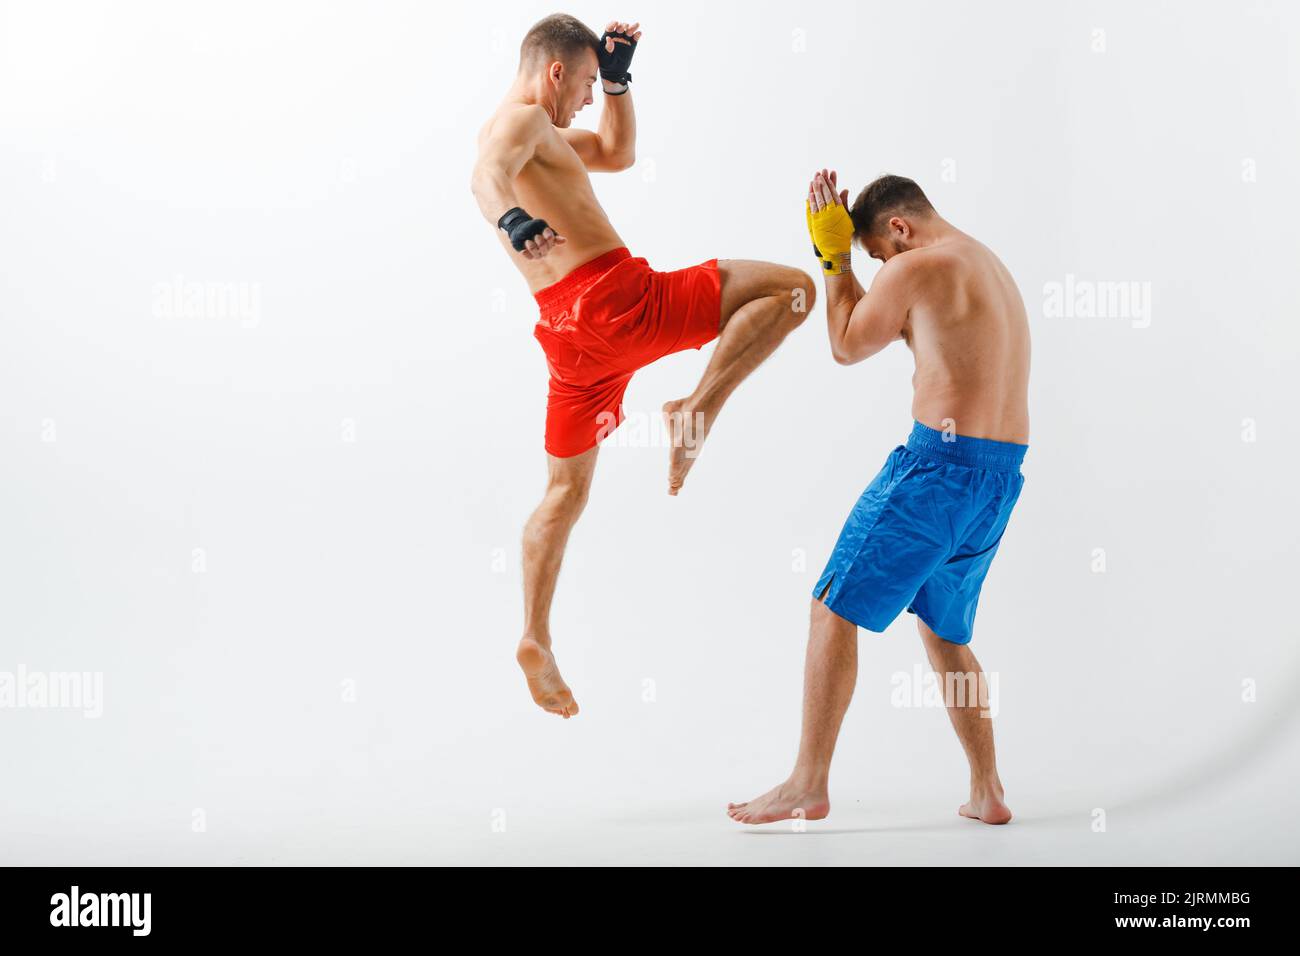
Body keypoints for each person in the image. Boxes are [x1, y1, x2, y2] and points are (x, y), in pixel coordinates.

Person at [471, 14, 814, 718]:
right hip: (618, 301)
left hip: (570, 338)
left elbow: (617, 155)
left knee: (564, 494)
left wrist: (623, 81)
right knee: (795, 289)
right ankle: (700, 407)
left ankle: (535, 635)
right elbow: (485, 177)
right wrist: (509, 218)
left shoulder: (540, 135)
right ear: (555, 71)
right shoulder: (521, 122)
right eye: (591, 83)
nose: (591, 99)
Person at [729, 171, 1030, 825]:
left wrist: (832, 256)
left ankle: (807, 781)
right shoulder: (984, 264)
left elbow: (845, 344)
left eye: (879, 257)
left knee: (831, 608)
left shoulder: (917, 264)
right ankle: (988, 789)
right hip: (999, 478)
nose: (881, 271)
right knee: (944, 631)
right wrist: (854, 261)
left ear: (899, 228)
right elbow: (889, 324)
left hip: (936, 472)